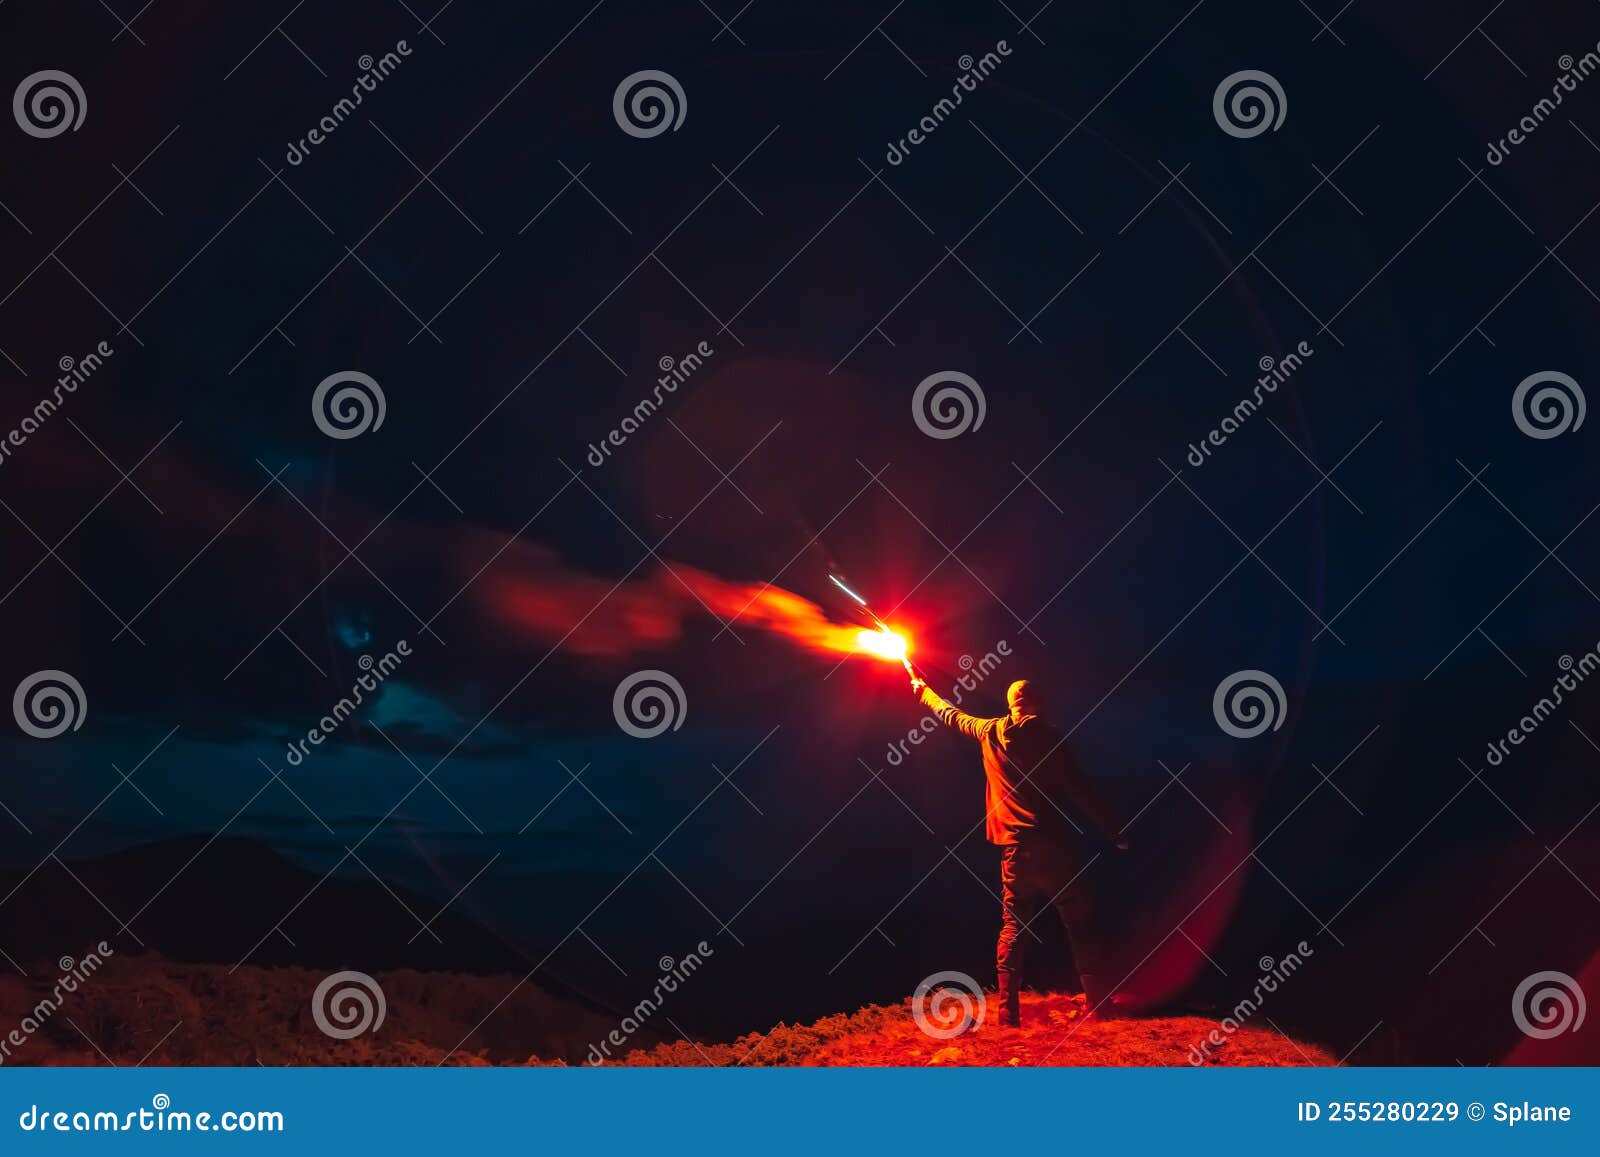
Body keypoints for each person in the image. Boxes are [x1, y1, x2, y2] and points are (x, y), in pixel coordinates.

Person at [911, 671, 1128, 1028]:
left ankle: (1007, 1013)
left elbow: (949, 713)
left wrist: (924, 692)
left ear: (1011, 704)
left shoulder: (988, 730)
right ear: (1037, 702)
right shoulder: (1051, 737)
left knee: (1013, 927)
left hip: (1014, 849)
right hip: (1056, 847)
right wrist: (1116, 831)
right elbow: (1081, 790)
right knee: (1079, 924)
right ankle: (1099, 1005)